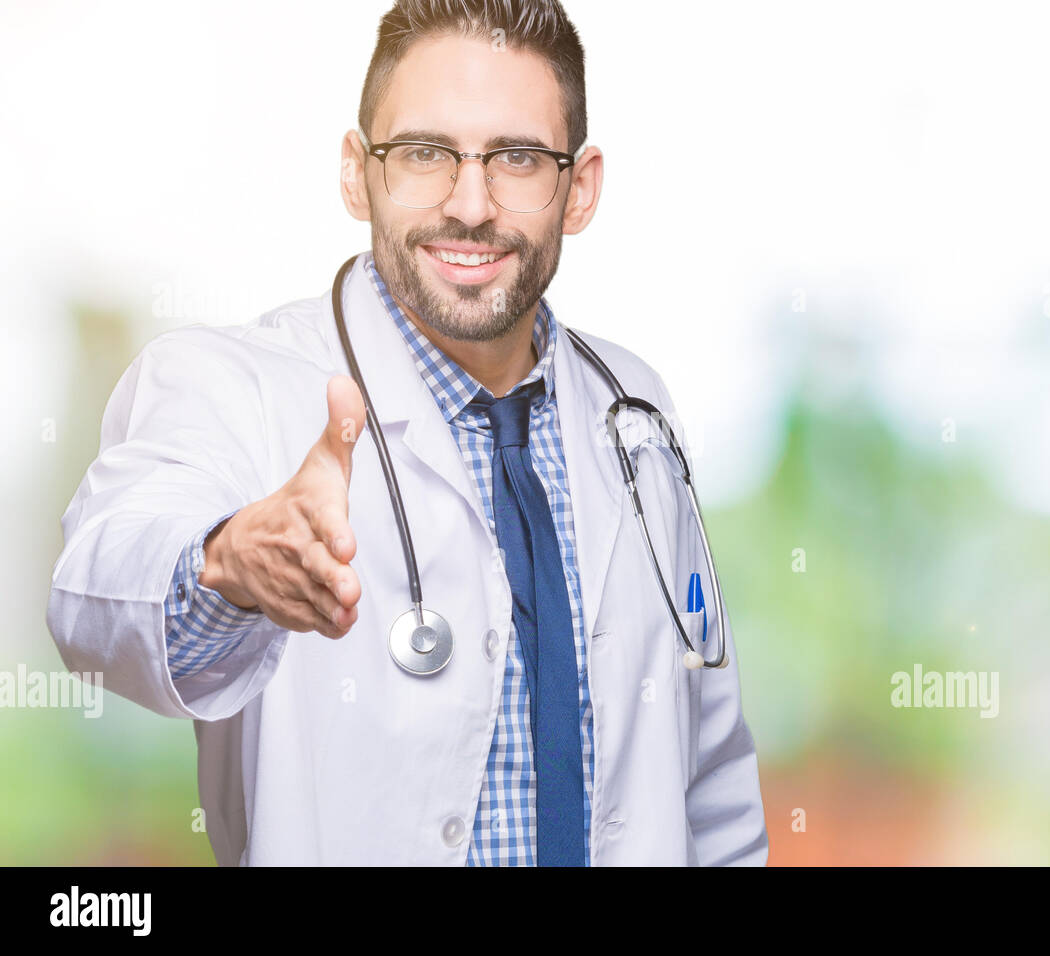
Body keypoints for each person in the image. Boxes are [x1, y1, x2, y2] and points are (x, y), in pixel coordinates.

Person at [46, 0, 768, 866]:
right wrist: (227, 565)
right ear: (357, 173)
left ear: (580, 189)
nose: (471, 205)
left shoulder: (635, 410)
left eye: (518, 158)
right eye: (425, 154)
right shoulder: (232, 386)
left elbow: (713, 784)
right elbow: (95, 601)